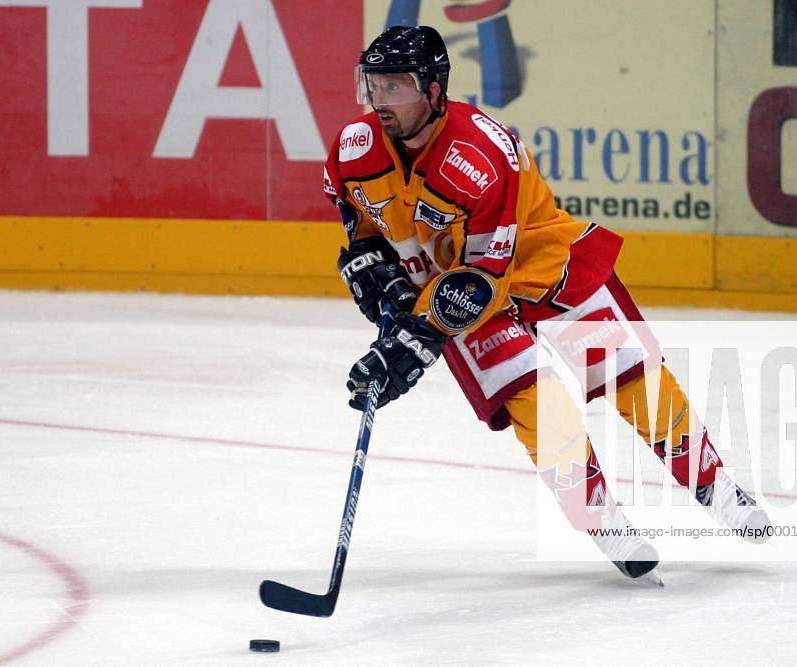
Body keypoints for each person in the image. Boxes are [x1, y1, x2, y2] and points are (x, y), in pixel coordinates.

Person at [323, 25, 770, 582]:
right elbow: (361, 227)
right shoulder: (353, 147)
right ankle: (604, 520)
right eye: (374, 86)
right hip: (448, 289)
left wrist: (415, 342)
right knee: (532, 399)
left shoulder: (483, 153)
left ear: (435, 90)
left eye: (397, 87)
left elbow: (485, 275)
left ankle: (715, 487)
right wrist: (377, 277)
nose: (380, 101)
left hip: (540, 271)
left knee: (630, 377)